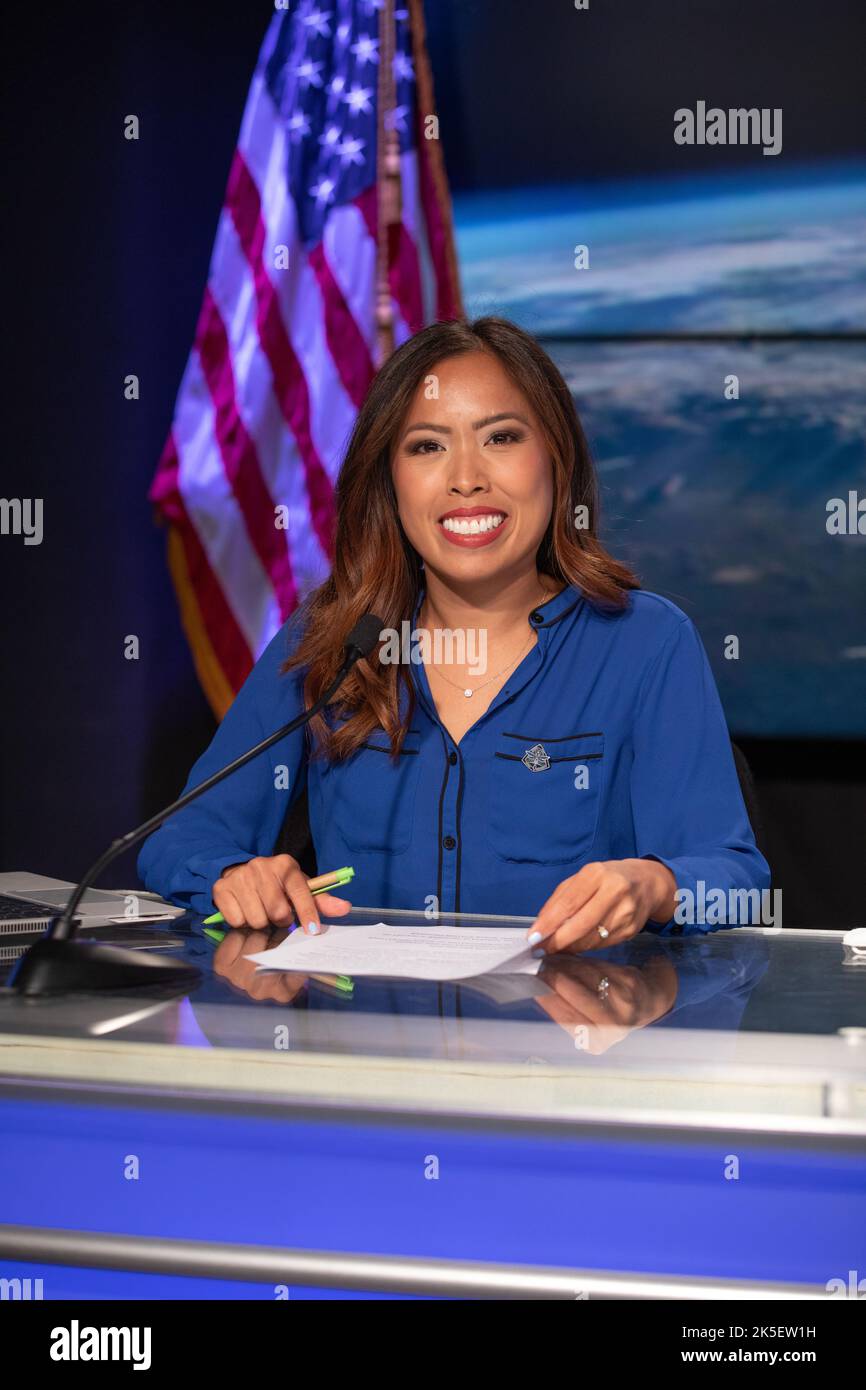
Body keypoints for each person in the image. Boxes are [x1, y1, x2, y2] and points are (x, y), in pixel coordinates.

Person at [138, 317, 770, 953]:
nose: (466, 477)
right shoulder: (332, 638)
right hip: (363, 1041)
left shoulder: (645, 642)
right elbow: (178, 841)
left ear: (555, 458)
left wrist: (656, 885)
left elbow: (739, 884)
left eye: (500, 437)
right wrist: (232, 875)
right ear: (389, 479)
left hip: (571, 1042)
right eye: (427, 447)